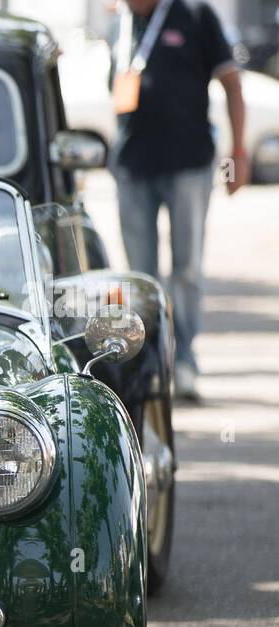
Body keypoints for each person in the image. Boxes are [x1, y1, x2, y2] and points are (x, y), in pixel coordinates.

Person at [109, 0, 248, 401]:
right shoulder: (120, 22)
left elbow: (232, 82)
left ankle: (185, 360)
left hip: (188, 163)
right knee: (140, 275)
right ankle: (149, 365)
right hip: (132, 165)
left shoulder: (196, 14)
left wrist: (238, 152)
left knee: (186, 266)